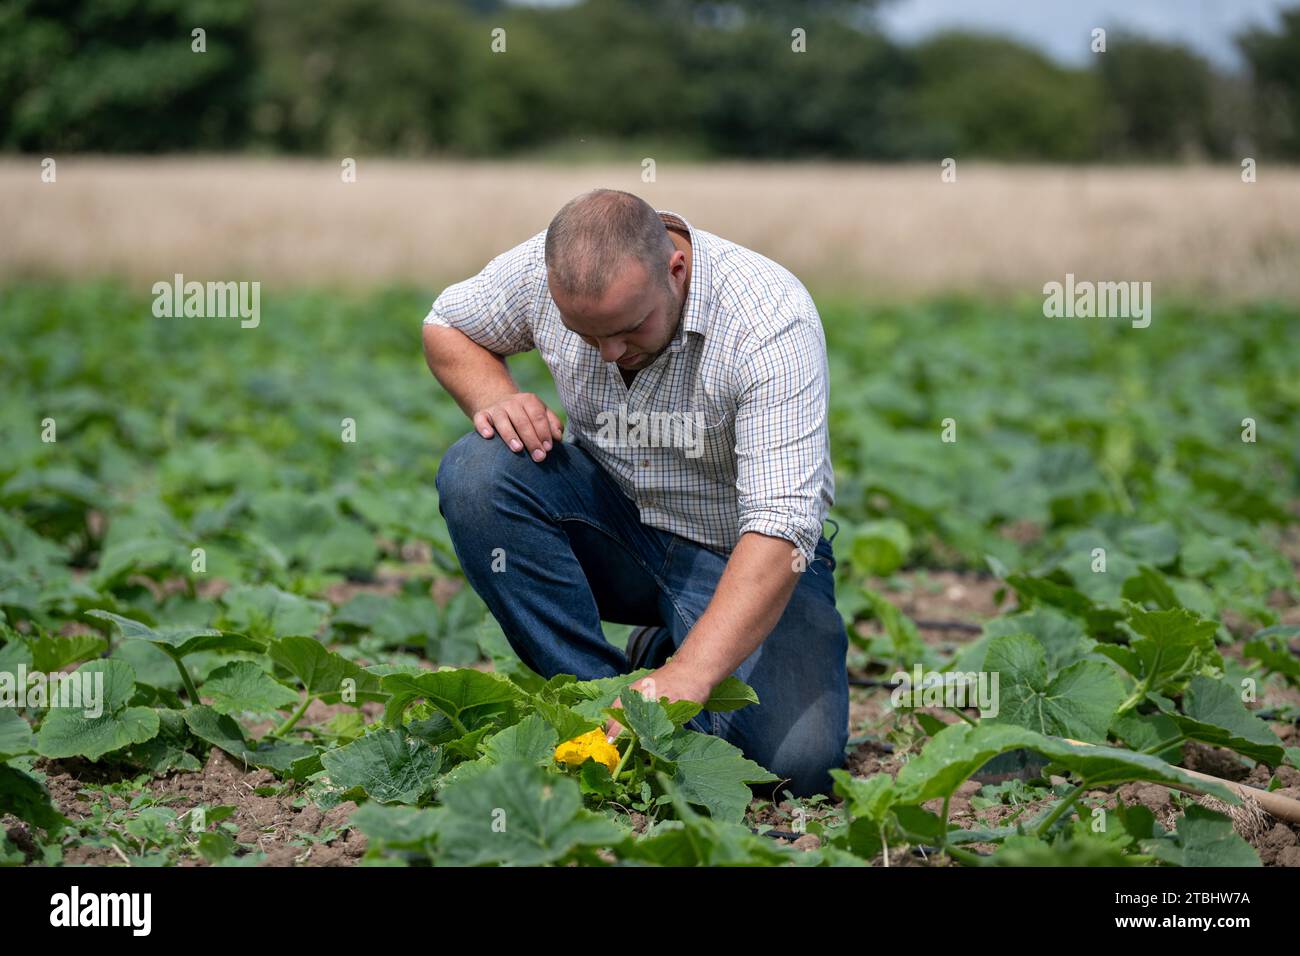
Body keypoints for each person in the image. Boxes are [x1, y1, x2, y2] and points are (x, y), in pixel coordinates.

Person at [421, 188, 847, 796]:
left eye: (626, 328)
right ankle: (596, 701)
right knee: (479, 472)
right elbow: (448, 323)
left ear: (675, 270)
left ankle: (669, 654)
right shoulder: (547, 273)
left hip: (743, 555)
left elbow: (781, 526)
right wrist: (495, 397)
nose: (610, 351)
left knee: (794, 768)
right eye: (586, 334)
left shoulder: (769, 320)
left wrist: (690, 675)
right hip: (615, 528)